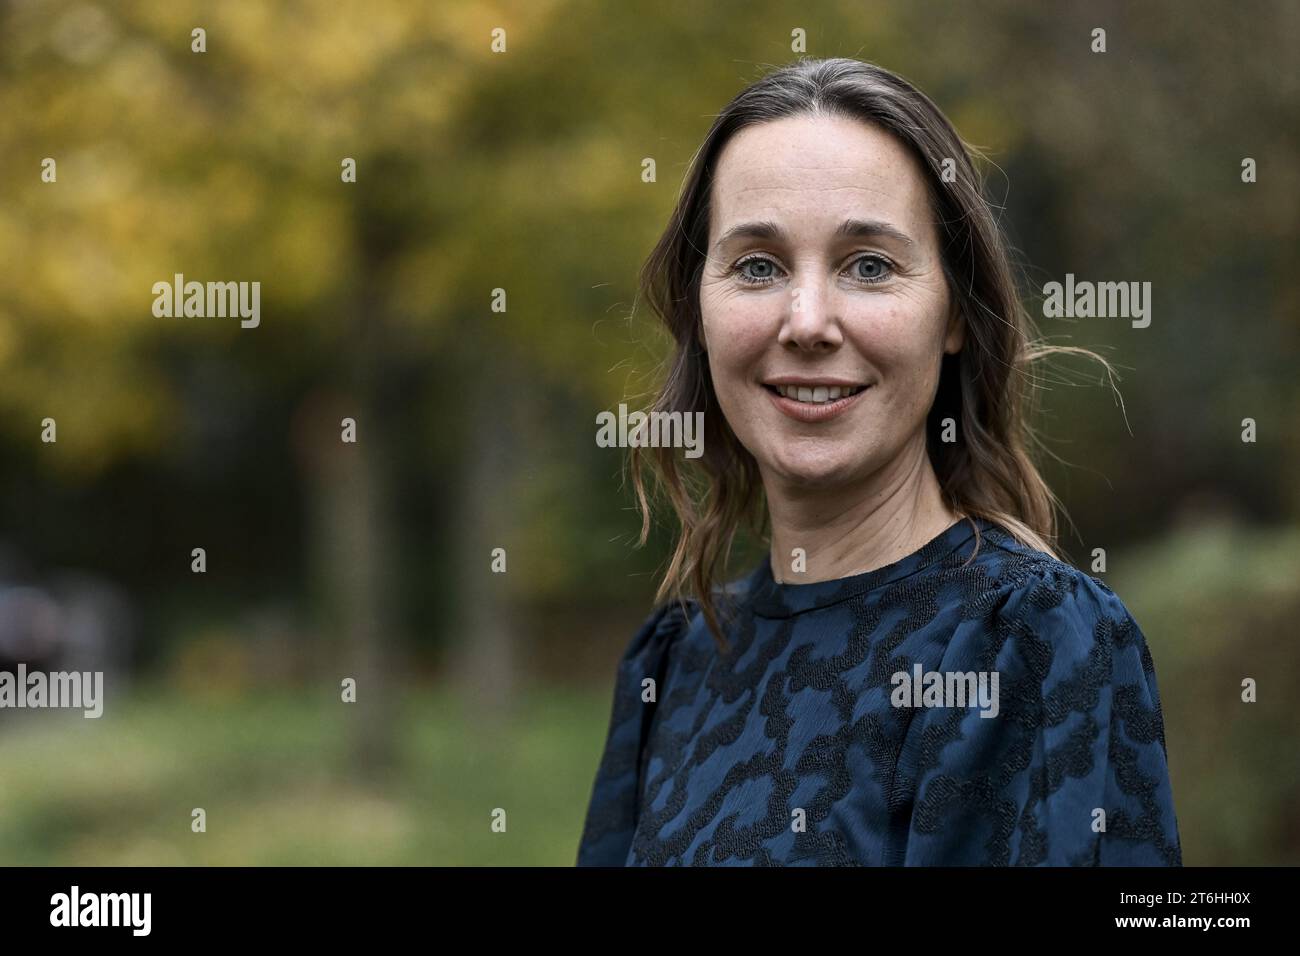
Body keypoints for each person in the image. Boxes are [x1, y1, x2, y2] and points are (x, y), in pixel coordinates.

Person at [576, 57, 1181, 866]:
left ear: (956, 314)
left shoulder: (1024, 647)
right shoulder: (674, 662)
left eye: (870, 265)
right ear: (698, 311)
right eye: (758, 265)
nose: (809, 321)